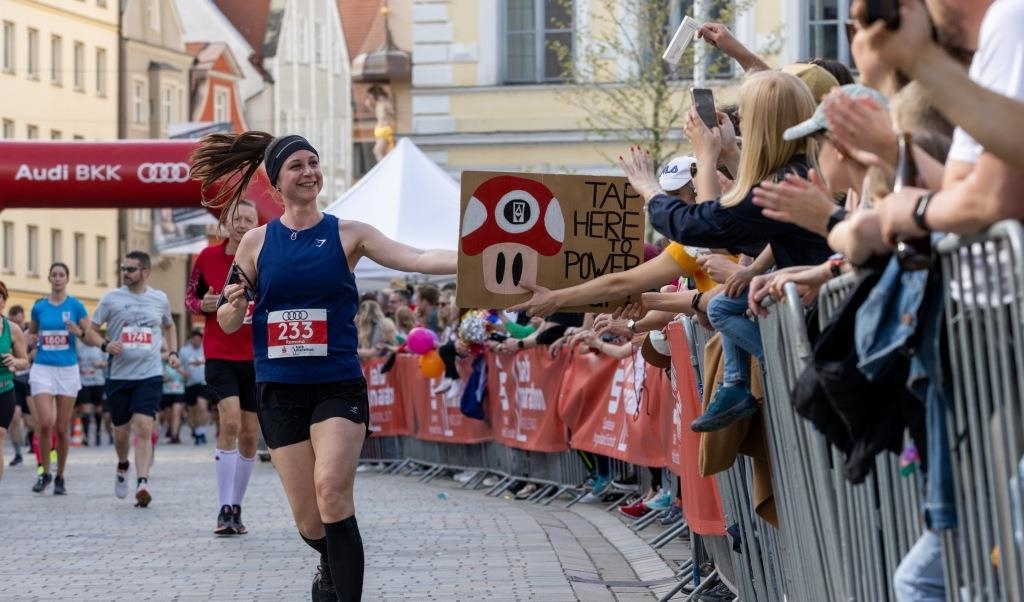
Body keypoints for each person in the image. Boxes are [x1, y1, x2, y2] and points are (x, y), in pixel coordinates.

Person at [190, 130, 457, 601]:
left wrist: (477, 262)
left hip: (336, 384)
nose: (309, 172)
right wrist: (232, 300)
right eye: (296, 166)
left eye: (313, 162)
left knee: (332, 490)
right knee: (311, 520)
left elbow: (415, 255)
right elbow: (231, 321)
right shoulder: (254, 243)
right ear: (275, 186)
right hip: (279, 388)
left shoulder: (348, 233)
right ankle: (329, 569)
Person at [185, 199, 261, 535]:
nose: (243, 224)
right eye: (237, 218)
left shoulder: (264, 257)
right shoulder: (207, 257)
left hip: (257, 356)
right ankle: (223, 508)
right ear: (225, 223)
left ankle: (237, 506)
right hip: (219, 354)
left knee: (249, 433)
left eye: (249, 219)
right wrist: (203, 303)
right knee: (229, 422)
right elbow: (190, 298)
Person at [83, 251, 179, 508]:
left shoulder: (159, 299)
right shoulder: (111, 299)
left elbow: (169, 325)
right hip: (119, 375)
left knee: (145, 427)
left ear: (145, 272)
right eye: (123, 268)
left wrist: (172, 352)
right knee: (122, 433)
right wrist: (105, 345)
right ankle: (123, 464)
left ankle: (143, 482)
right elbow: (90, 332)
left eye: (131, 269)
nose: (125, 273)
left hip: (149, 374)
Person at [28, 262, 91, 495]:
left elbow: (88, 334)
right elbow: (33, 332)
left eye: (61, 275)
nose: (57, 278)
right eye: (53, 275)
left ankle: (61, 476)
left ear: (67, 278)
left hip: (67, 369)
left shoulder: (76, 306)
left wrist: (80, 332)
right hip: (43, 367)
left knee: (62, 428)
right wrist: (31, 340)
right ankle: (44, 472)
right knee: (45, 423)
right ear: (48, 278)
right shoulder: (39, 307)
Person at [1, 281, 31, 482]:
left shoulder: (12, 329)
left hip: (4, 391)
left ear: (3, 302)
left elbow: (24, 361)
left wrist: (14, 361)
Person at [6, 304, 31, 467]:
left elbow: (27, 359)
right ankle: (18, 453)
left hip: (30, 381)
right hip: (13, 381)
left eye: (20, 323)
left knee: (32, 422)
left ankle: (36, 441)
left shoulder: (32, 334)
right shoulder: (6, 331)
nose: (17, 326)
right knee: (15, 418)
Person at [178, 331, 212, 449]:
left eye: (199, 340)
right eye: (195, 340)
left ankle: (201, 432)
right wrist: (182, 372)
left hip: (203, 383)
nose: (197, 342)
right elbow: (178, 365)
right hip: (190, 384)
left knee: (202, 406)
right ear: (191, 340)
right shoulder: (184, 351)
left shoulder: (205, 348)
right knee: (192, 411)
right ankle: (197, 431)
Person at [74, 337, 107, 447]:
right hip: (84, 382)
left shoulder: (100, 348)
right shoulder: (79, 348)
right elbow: (75, 361)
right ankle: (86, 436)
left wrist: (100, 364)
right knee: (86, 409)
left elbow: (108, 362)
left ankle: (98, 432)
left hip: (98, 382)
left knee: (98, 409)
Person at [366, 84, 396, 161]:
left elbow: (393, 112)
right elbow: (378, 115)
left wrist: (390, 109)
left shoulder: (385, 102)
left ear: (374, 94)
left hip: (385, 130)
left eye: (370, 96)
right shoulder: (378, 104)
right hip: (380, 129)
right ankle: (384, 166)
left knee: (377, 151)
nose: (369, 98)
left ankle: (383, 167)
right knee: (383, 152)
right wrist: (369, 106)